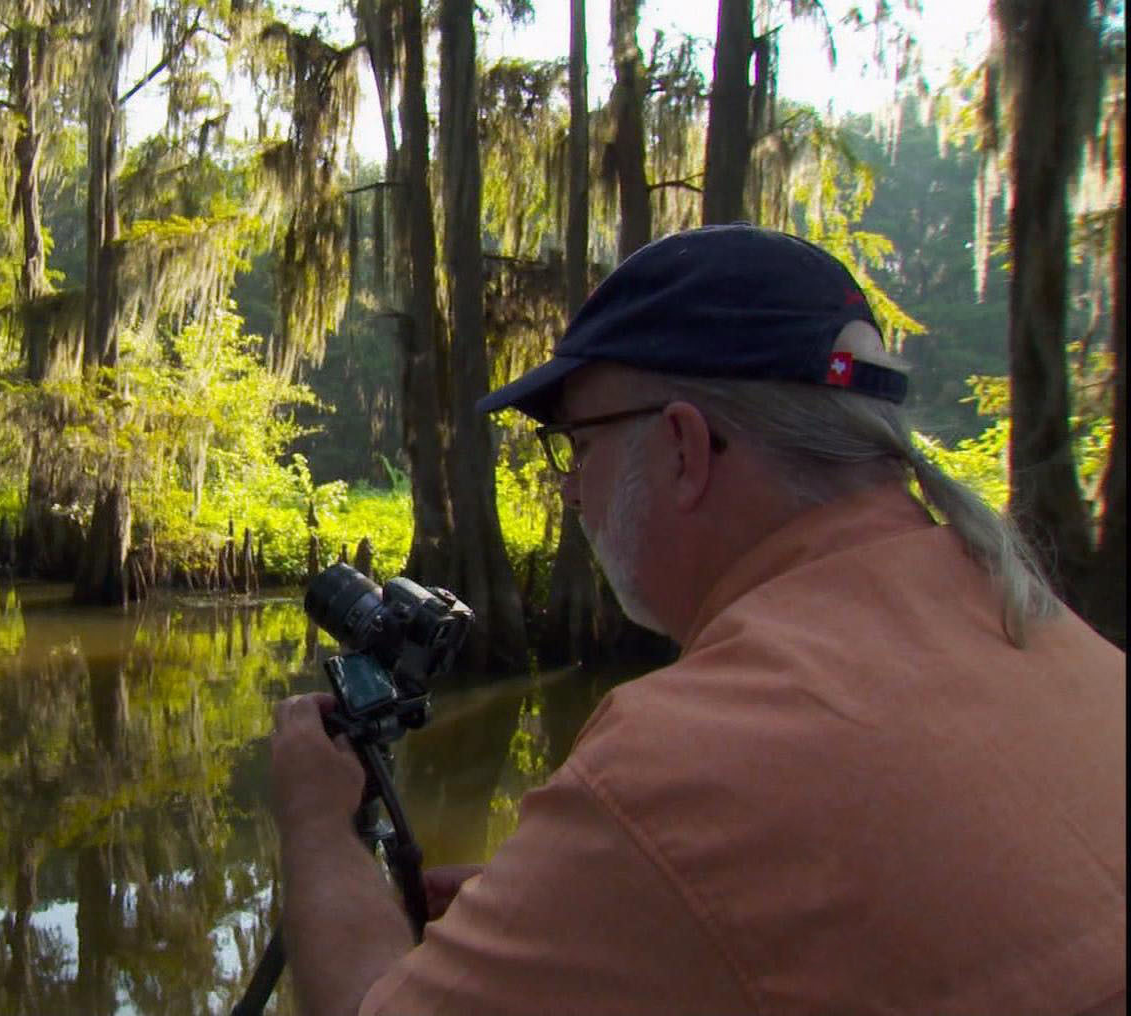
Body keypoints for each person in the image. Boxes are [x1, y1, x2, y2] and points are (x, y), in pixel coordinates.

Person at [268, 224, 1126, 1016]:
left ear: (684, 448)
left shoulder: (676, 766)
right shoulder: (1052, 635)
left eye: (580, 445)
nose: (570, 491)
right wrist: (598, 905)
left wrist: (316, 821)